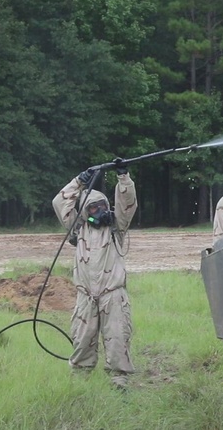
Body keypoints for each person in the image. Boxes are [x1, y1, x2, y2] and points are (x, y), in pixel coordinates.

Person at [51, 160, 137, 389]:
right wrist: (79, 181)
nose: (98, 212)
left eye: (101, 207)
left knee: (118, 338)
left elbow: (127, 204)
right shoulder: (77, 228)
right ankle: (81, 381)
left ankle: (119, 382)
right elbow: (59, 201)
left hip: (113, 295)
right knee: (82, 340)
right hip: (86, 295)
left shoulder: (117, 227)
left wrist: (123, 177)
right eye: (92, 208)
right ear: (84, 211)